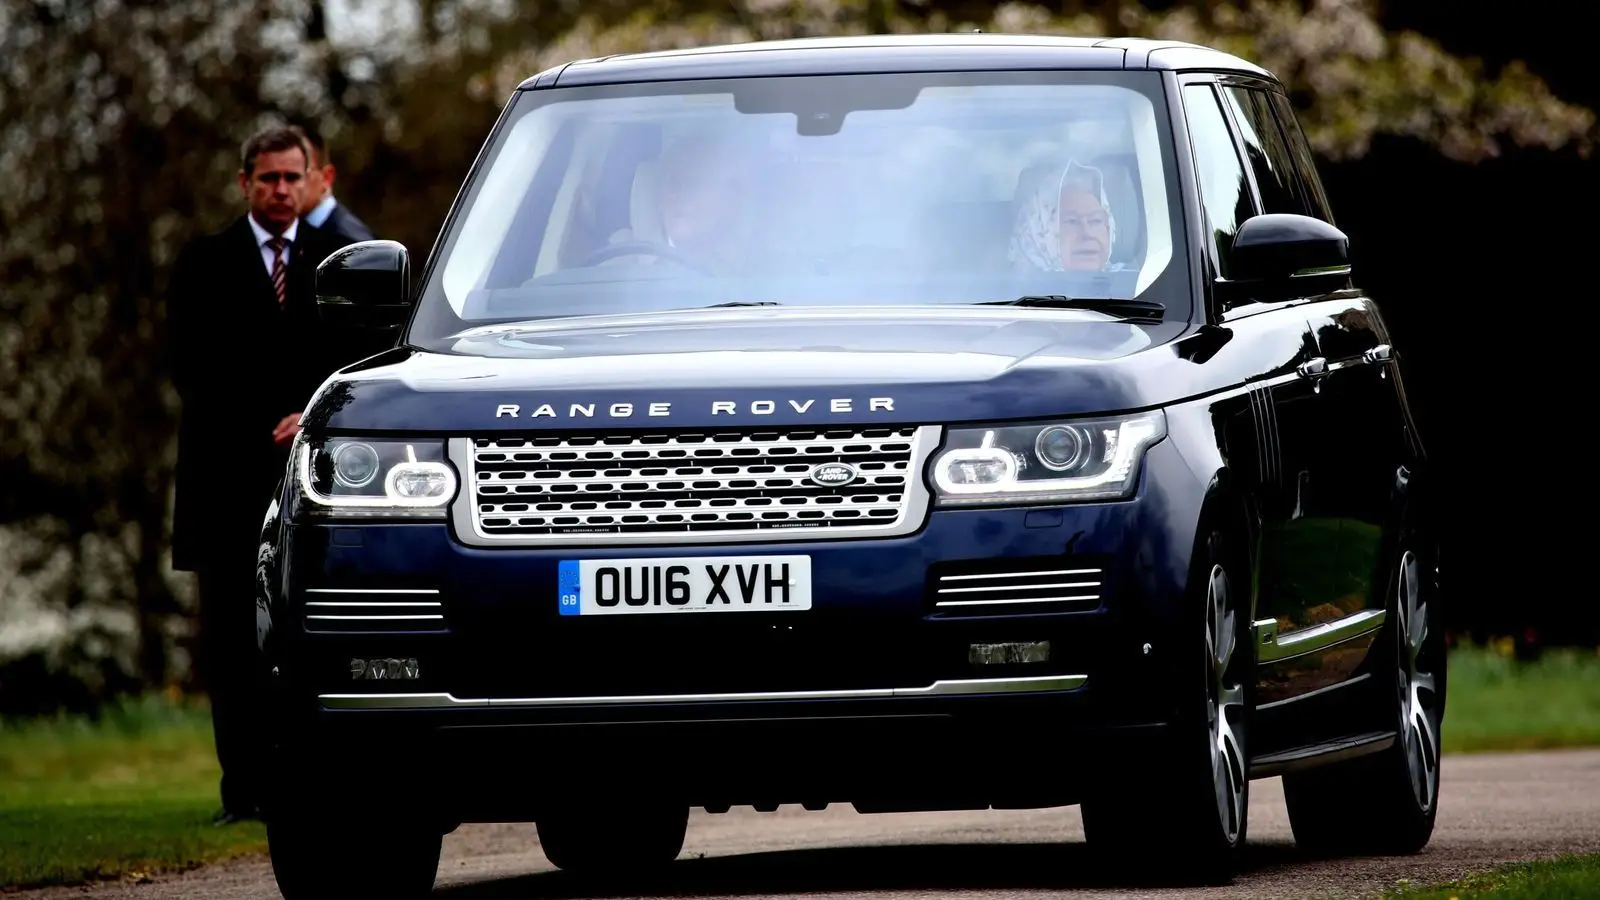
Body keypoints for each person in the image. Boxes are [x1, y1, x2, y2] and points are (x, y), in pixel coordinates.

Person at [166, 125, 360, 824]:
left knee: (307, 631)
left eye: (291, 178)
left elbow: (359, 360)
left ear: (311, 181)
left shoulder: (336, 262)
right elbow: (191, 368)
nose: (280, 190)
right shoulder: (204, 262)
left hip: (308, 480)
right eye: (268, 178)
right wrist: (263, 421)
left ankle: (309, 785)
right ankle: (242, 789)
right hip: (225, 480)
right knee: (229, 639)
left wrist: (308, 415)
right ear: (245, 182)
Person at [1008, 159, 1127, 273]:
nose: (1087, 233)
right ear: (1039, 233)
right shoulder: (1012, 286)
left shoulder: (1132, 281)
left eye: (1096, 220)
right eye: (1072, 221)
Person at [290, 123, 375, 244]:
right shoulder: (289, 234)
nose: (282, 188)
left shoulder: (351, 244)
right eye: (272, 177)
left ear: (326, 177)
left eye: (296, 175)